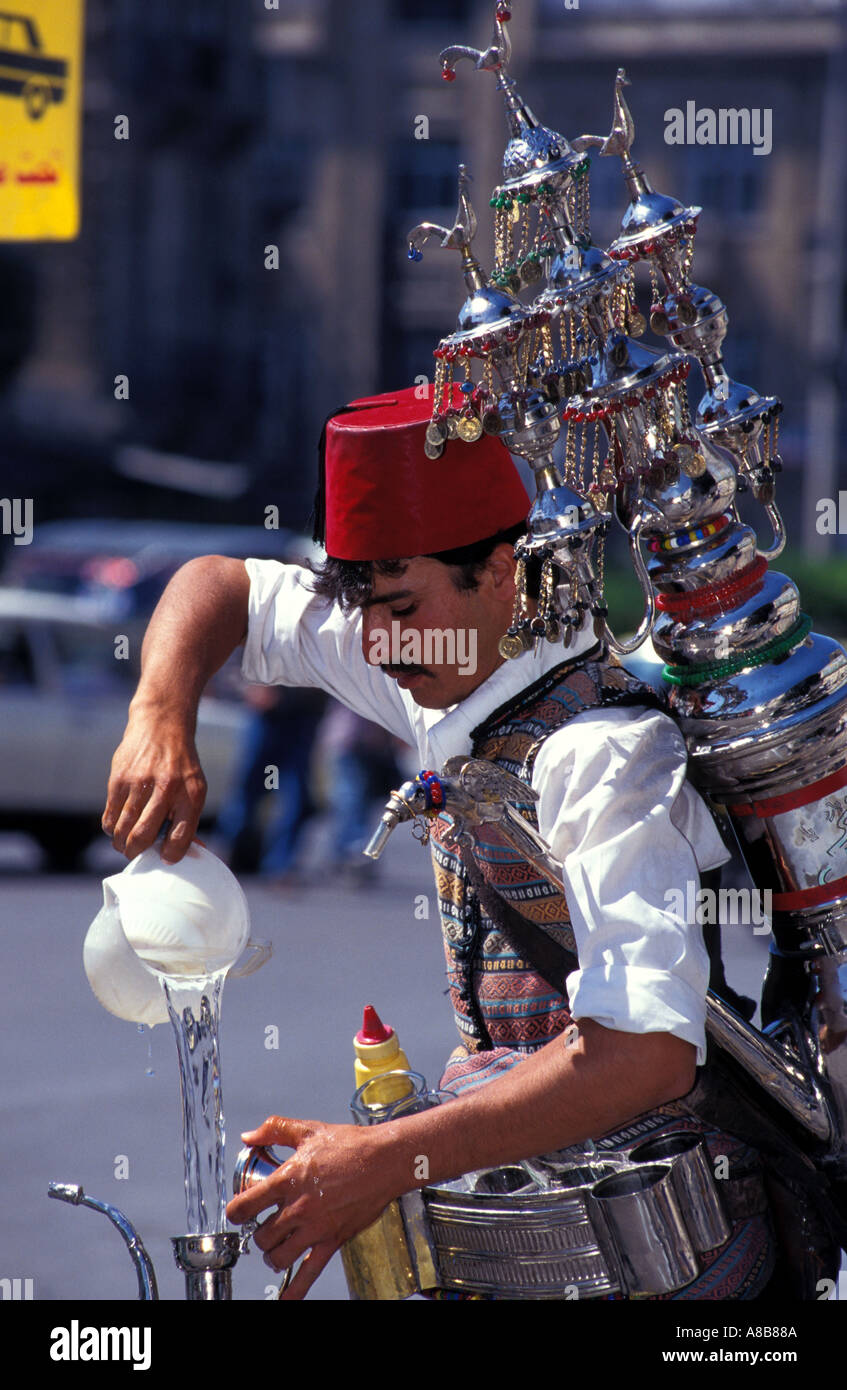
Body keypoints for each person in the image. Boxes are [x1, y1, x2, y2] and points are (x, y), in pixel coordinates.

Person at [102, 386, 774, 1300]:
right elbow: (221, 585)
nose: (372, 644)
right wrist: (158, 712)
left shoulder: (599, 751)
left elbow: (647, 1050)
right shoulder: (440, 655)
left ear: (501, 573)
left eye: (401, 608)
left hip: (653, 1246)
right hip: (520, 1210)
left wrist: (383, 1159)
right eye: (361, 606)